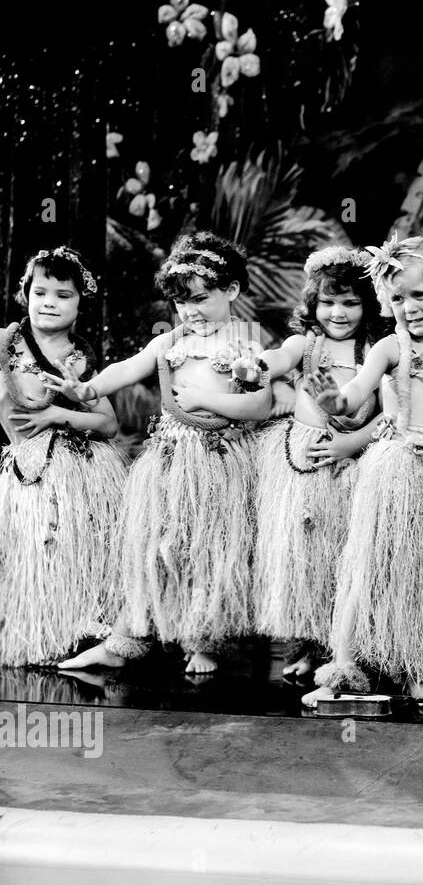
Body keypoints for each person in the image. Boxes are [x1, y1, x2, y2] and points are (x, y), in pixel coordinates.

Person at [50, 232, 271, 675]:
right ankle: (127, 637)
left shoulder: (245, 342)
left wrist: (210, 402)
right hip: (169, 459)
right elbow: (128, 368)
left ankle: (205, 638)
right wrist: (88, 388)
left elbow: (259, 404)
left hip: (220, 459)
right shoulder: (170, 341)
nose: (191, 312)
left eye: (201, 299)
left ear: (231, 290)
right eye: (181, 303)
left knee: (211, 549)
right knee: (152, 546)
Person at [305, 237, 423, 700]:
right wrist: (336, 399)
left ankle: (418, 670)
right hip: (395, 473)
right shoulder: (390, 347)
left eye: (419, 295)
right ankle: (342, 665)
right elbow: (357, 391)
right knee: (369, 566)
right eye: (397, 298)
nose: (408, 307)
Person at [254, 247, 386, 680]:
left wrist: (353, 444)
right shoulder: (306, 345)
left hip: (355, 460)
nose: (339, 312)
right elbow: (279, 358)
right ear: (313, 304)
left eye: (350, 303)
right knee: (304, 555)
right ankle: (308, 645)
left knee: (345, 554)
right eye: (329, 302)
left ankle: (344, 647)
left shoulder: (376, 351)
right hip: (304, 461)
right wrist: (257, 366)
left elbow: (390, 412)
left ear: (368, 305)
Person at [0, 247, 127, 665]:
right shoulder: (6, 346)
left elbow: (108, 424)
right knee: (33, 553)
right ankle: (36, 635)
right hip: (28, 470)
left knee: (74, 552)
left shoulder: (81, 360)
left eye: (63, 294)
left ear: (79, 304)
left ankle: (77, 631)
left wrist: (60, 412)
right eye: (41, 292)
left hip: (81, 469)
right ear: (25, 294)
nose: (50, 302)